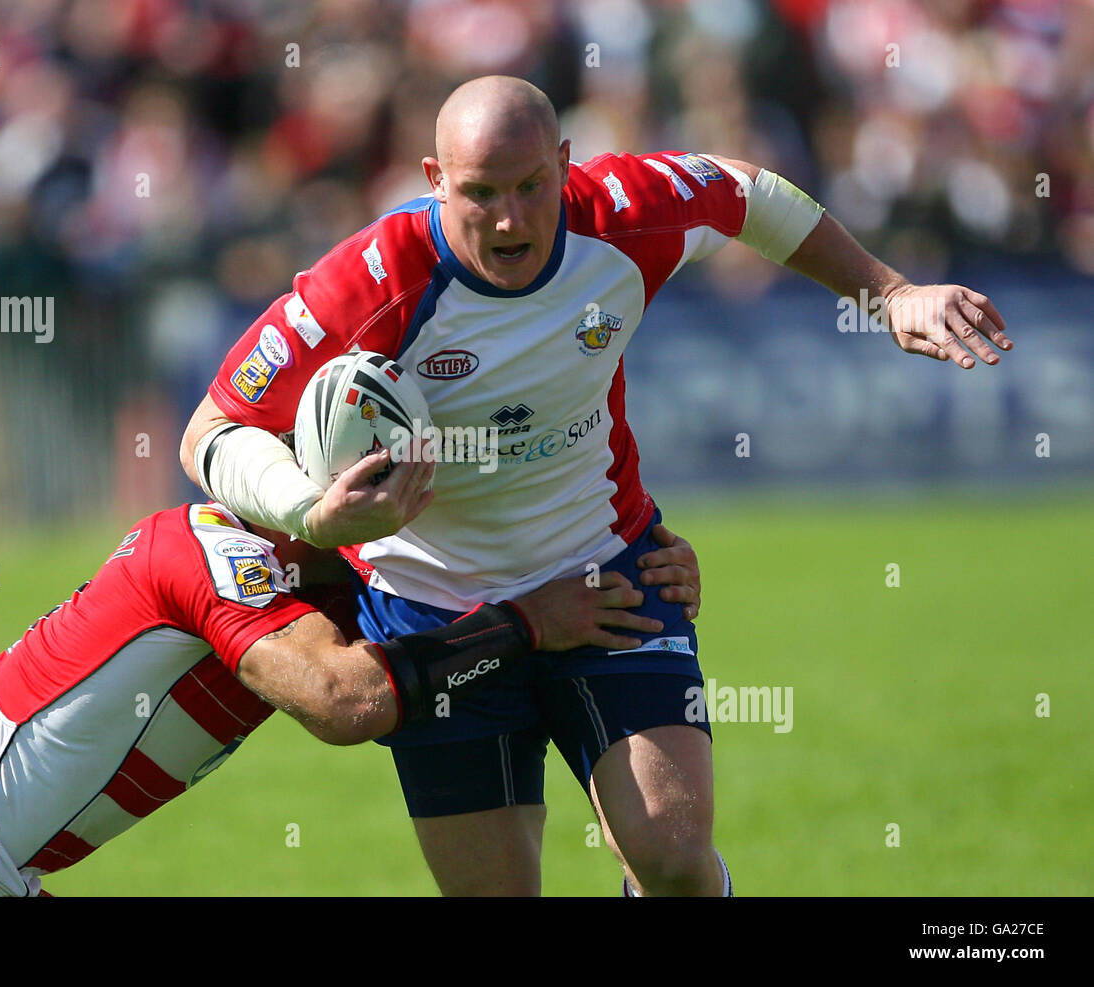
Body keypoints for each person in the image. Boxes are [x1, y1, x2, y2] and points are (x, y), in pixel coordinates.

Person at [179, 76, 1010, 896]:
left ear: (566, 163)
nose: (510, 218)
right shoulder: (368, 281)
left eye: (533, 185)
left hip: (609, 576)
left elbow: (745, 192)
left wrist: (890, 292)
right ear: (435, 182)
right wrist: (310, 512)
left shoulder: (622, 210)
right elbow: (209, 431)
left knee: (673, 859)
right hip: (436, 615)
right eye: (480, 193)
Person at [0, 481, 698, 897]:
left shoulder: (342, 580)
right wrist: (533, 622)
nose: (416, 501)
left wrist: (640, 559)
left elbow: (462, 605)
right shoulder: (208, 550)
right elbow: (351, 702)